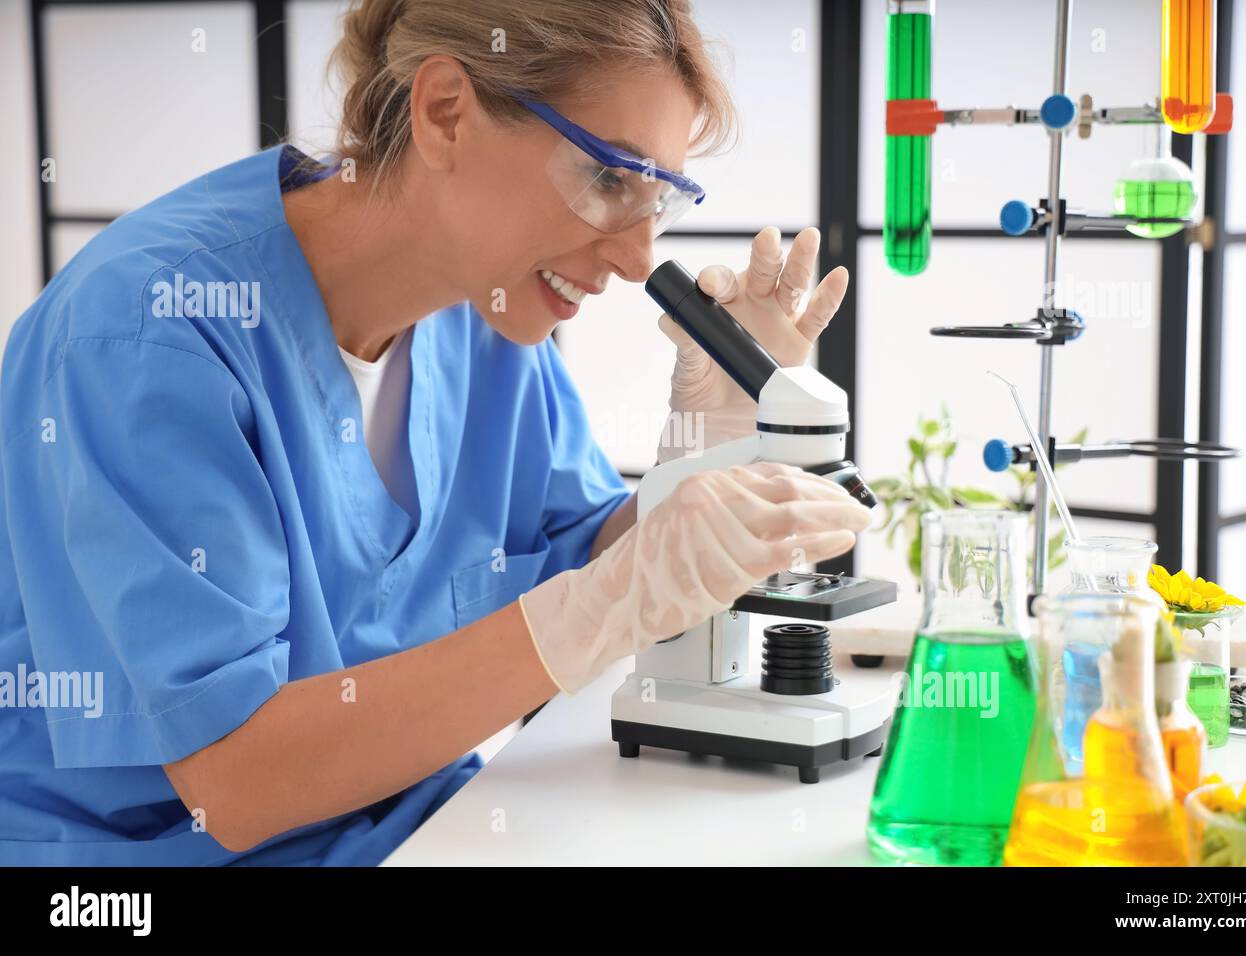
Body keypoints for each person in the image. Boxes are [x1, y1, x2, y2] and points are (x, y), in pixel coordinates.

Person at [0, 0, 867, 865]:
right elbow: (238, 776)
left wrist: (708, 447)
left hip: (414, 828)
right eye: (611, 180)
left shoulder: (482, 314)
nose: (641, 259)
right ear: (445, 111)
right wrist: (602, 604)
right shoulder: (150, 331)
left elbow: (587, 556)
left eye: (660, 200)